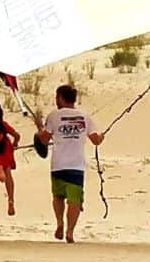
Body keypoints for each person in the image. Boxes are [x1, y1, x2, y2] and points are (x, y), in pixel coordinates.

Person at [35, 84, 103, 243]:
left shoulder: (53, 116)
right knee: (74, 199)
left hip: (58, 164)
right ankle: (70, 231)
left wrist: (39, 129)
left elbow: (44, 139)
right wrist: (102, 136)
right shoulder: (84, 116)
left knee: (58, 196)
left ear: (61, 98)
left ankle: (59, 222)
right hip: (76, 165)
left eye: (56, 97)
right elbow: (96, 140)